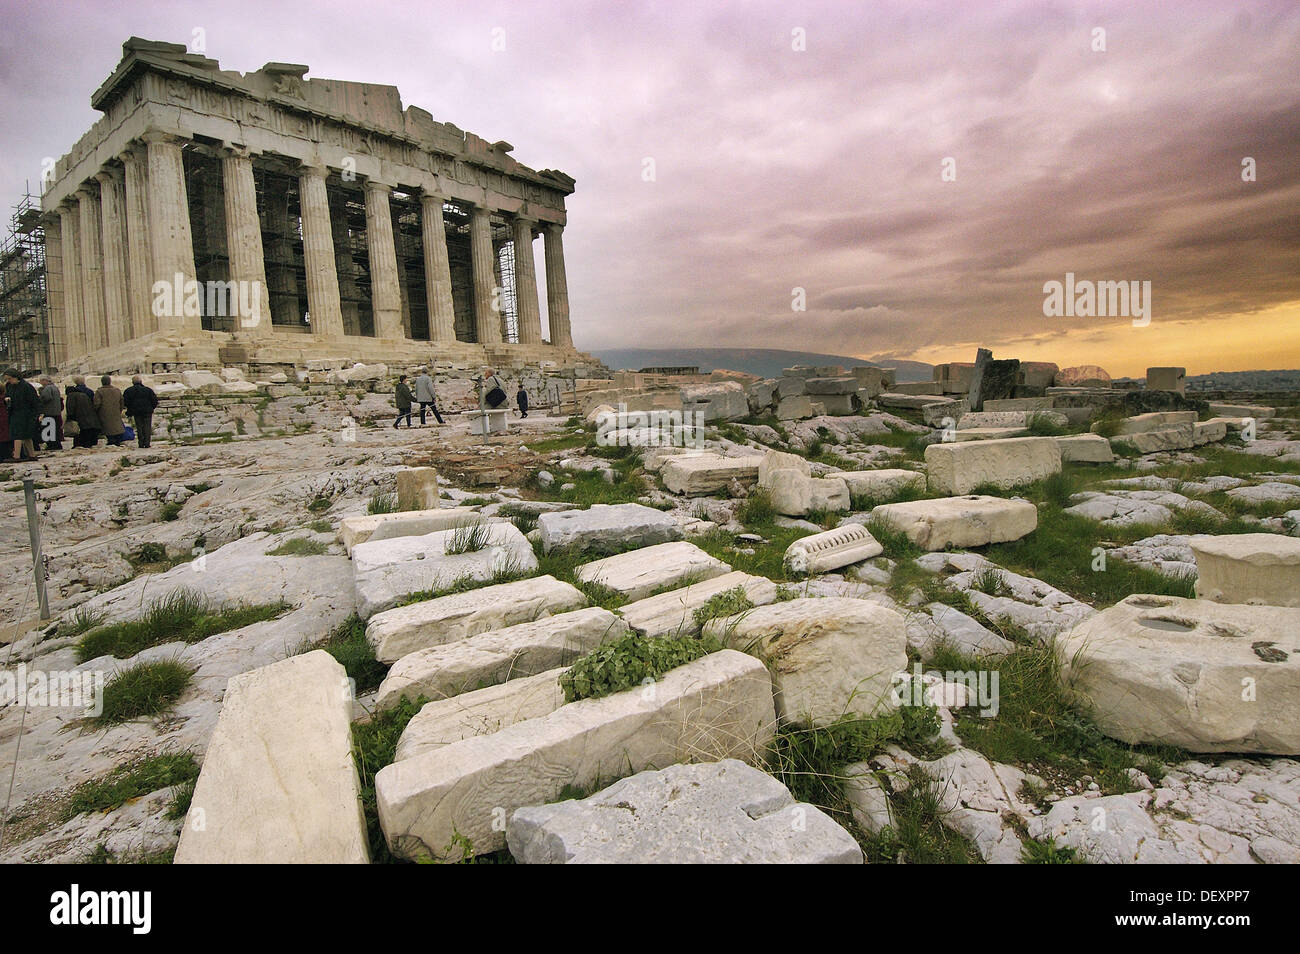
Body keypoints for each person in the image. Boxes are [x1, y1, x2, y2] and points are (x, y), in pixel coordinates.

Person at [3, 369, 40, 460]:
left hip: (25, 413)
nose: (8, 381)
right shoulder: (10, 386)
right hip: (15, 412)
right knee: (24, 435)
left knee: (19, 435)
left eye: (9, 378)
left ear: (15, 377)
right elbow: (7, 396)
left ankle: (17, 456)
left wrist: (37, 414)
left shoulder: (26, 386)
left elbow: (34, 401)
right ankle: (31, 455)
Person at [123, 375, 159, 448]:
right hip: (147, 411)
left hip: (136, 412)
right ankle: (147, 443)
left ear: (132, 382)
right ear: (141, 381)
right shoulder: (148, 390)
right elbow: (154, 401)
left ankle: (141, 443)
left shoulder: (128, 391)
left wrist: (130, 410)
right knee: (147, 427)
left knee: (139, 427)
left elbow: (126, 402)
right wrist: (151, 408)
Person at [94, 374, 126, 447]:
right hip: (116, 412)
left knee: (108, 428)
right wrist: (119, 410)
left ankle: (111, 441)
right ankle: (117, 440)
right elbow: (121, 402)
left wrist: (96, 412)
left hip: (104, 413)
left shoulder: (99, 392)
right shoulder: (117, 390)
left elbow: (97, 404)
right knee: (116, 427)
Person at [65, 383, 100, 448]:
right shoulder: (84, 395)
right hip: (91, 417)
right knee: (88, 432)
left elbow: (70, 408)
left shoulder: (71, 395)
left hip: (81, 418)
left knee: (80, 433)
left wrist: (70, 418)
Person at [38, 376, 64, 450]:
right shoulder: (55, 387)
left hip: (49, 411)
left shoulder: (48, 388)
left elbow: (46, 398)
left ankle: (52, 445)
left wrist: (40, 399)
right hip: (56, 412)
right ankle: (56, 444)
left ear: (45, 380)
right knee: (55, 430)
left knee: (50, 430)